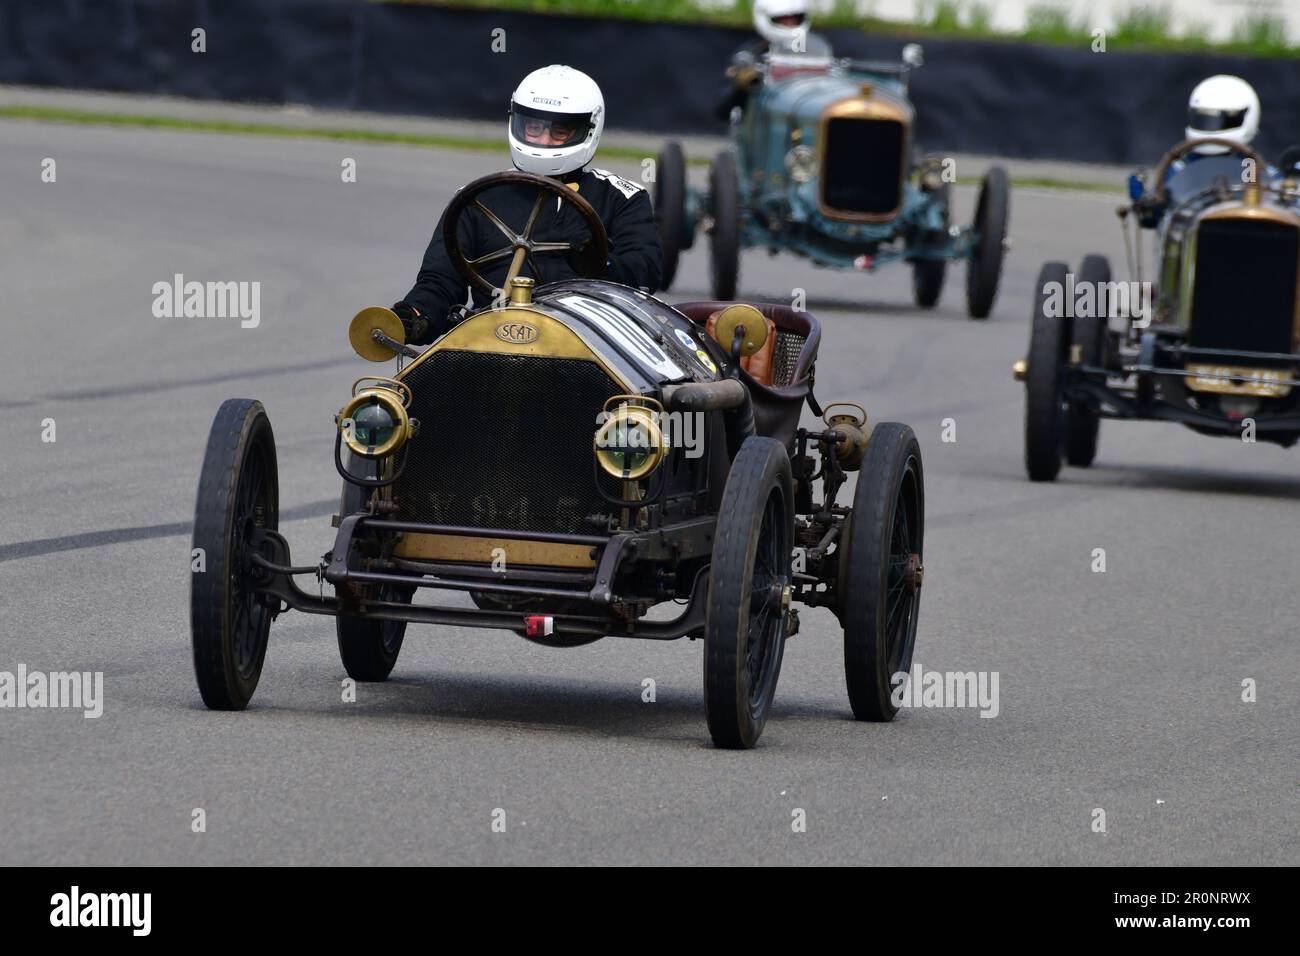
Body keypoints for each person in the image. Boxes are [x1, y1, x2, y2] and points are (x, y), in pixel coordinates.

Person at [391, 65, 662, 344]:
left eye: (559, 132)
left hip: (589, 341)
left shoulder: (621, 198)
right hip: (493, 339)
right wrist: (415, 314)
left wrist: (599, 263)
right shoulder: (476, 200)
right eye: (534, 128)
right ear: (517, 122)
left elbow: (645, 274)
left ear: (588, 129)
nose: (544, 140)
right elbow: (440, 281)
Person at [1131, 75, 1273, 228]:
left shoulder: (1251, 166)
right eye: (1205, 119)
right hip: (1189, 239)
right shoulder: (1179, 167)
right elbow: (1154, 217)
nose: (1212, 127)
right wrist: (1143, 200)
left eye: (1224, 120)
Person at [715, 0, 832, 121]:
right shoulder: (749, 56)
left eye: (795, 18)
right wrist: (742, 87)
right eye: (782, 19)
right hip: (764, 124)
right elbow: (722, 108)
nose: (789, 24)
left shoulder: (819, 52)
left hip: (806, 118)